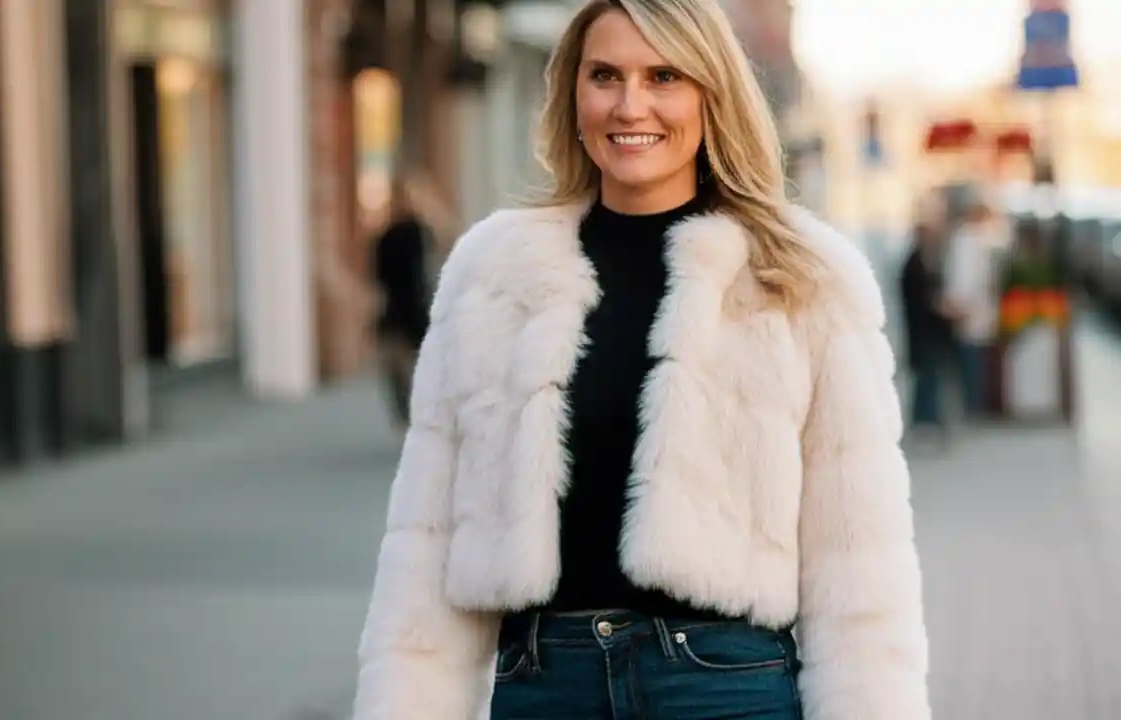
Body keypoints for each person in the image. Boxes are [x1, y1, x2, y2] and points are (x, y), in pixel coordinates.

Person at [352, 1, 930, 718]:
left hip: (725, 685)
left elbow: (859, 564)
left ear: (710, 92)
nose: (631, 104)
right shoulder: (495, 273)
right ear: (572, 93)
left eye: (663, 75)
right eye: (605, 76)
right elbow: (426, 548)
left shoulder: (802, 277)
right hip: (544, 683)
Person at [371, 176, 435, 429]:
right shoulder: (419, 231)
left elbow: (377, 277)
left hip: (398, 310)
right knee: (415, 369)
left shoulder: (388, 235)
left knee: (399, 370)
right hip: (414, 308)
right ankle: (415, 415)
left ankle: (406, 417)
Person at [941, 200, 1004, 419]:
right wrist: (961, 305)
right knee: (970, 363)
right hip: (969, 312)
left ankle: (973, 405)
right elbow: (964, 279)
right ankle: (973, 407)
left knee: (974, 360)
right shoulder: (966, 241)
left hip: (976, 313)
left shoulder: (976, 240)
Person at [900, 219, 954, 430]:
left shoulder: (925, 261)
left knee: (930, 375)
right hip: (922, 331)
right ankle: (924, 418)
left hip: (928, 332)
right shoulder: (915, 263)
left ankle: (928, 417)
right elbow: (921, 300)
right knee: (926, 375)